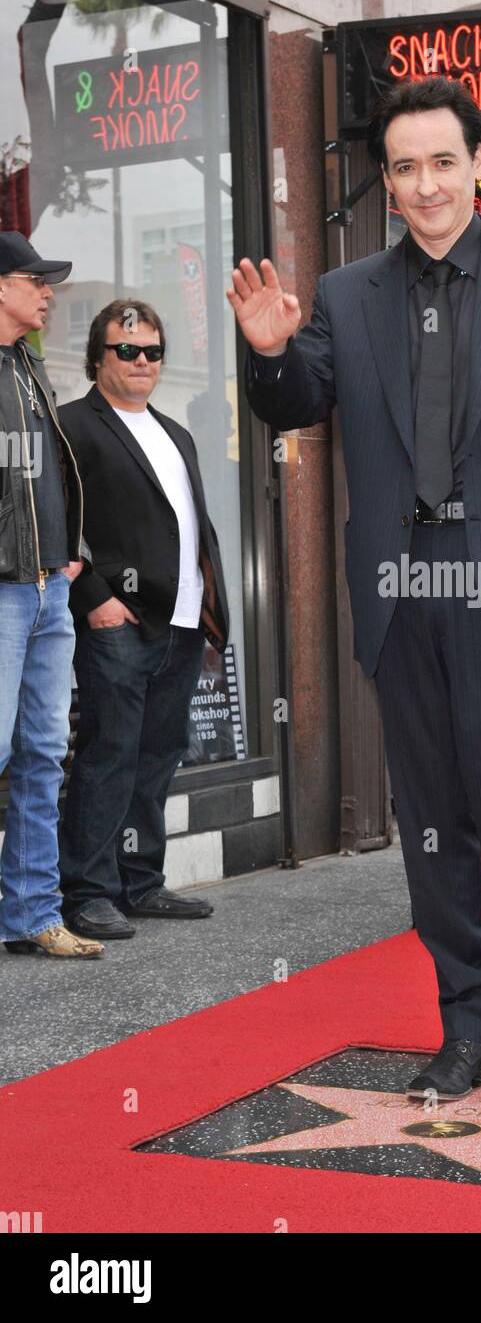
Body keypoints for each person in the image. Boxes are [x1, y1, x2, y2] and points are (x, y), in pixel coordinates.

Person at [228, 76, 481, 1100]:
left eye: (442, 162)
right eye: (404, 168)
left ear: (477, 165)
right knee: (433, 826)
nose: (425, 185)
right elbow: (298, 400)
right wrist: (270, 353)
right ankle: (466, 1022)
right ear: (388, 182)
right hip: (404, 592)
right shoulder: (347, 294)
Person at [57, 300, 230, 940]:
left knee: (157, 753)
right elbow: (61, 522)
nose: (141, 362)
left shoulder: (175, 431)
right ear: (98, 358)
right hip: (118, 620)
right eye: (126, 350)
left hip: (181, 622)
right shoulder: (72, 425)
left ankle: (139, 880)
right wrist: (95, 596)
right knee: (108, 752)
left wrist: (209, 605)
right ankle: (88, 891)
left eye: (152, 351)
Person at [0, 231, 104, 959]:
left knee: (43, 751)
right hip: (4, 594)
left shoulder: (29, 367)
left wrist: (72, 559)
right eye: (36, 280)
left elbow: (51, 479)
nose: (48, 292)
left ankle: (32, 914)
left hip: (46, 593)